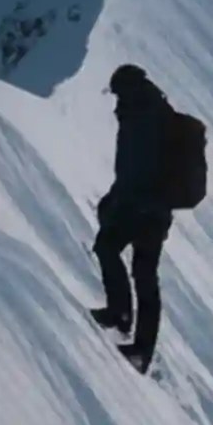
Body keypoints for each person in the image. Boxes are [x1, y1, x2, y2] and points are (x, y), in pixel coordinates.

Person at [89, 63, 174, 374]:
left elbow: (143, 167)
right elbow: (129, 169)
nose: (115, 101)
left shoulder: (145, 116)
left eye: (117, 94)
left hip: (148, 209)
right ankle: (122, 317)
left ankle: (138, 345)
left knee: (140, 270)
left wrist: (130, 201)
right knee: (118, 254)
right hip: (143, 206)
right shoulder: (143, 112)